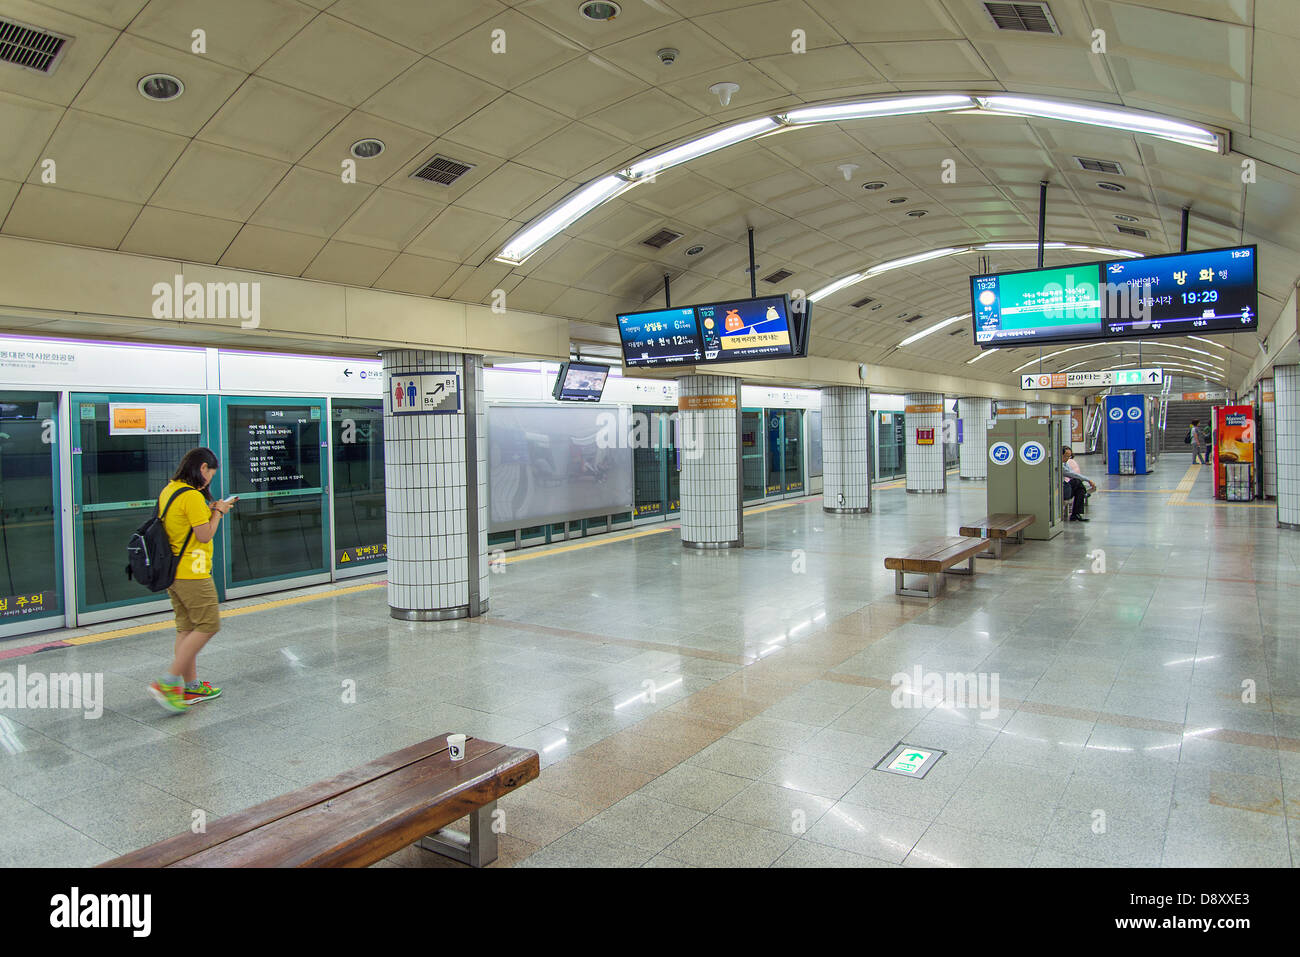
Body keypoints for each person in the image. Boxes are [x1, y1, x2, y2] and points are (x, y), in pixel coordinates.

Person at [148, 447, 234, 713]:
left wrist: (209, 509)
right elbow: (205, 535)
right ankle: (169, 681)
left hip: (173, 572)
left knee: (186, 628)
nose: (210, 480)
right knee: (209, 624)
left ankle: (191, 685)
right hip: (193, 573)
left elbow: (182, 526)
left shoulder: (170, 490)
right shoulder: (193, 497)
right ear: (202, 469)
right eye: (210, 474)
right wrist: (218, 511)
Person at [1062, 446, 1096, 522]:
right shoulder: (1058, 464)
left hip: (1064, 487)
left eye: (1069, 456)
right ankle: (1076, 514)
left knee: (1079, 487)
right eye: (1066, 456)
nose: (1067, 458)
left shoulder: (1065, 463)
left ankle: (1076, 514)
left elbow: (1073, 473)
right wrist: (1088, 480)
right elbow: (1071, 474)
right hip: (1060, 490)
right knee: (1078, 483)